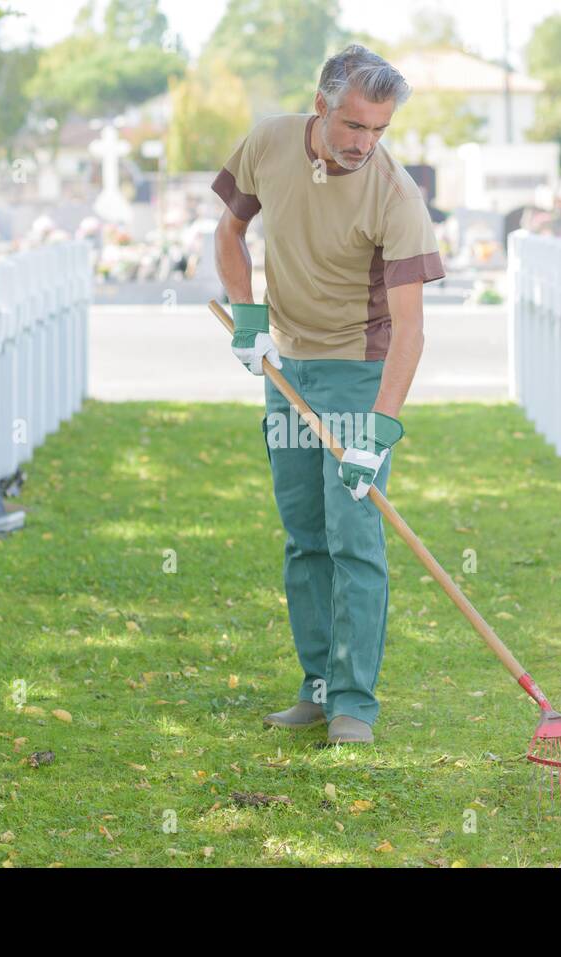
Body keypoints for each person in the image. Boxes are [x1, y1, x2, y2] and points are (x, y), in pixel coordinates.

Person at [212, 44, 445, 745]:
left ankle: (354, 704)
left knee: (354, 540)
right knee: (304, 536)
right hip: (288, 369)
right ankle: (315, 687)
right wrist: (249, 319)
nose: (365, 144)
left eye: (379, 130)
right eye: (354, 127)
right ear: (322, 105)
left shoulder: (396, 196)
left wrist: (378, 432)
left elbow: (410, 332)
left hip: (356, 371)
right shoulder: (269, 142)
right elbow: (231, 229)